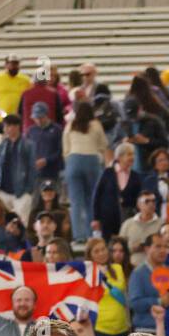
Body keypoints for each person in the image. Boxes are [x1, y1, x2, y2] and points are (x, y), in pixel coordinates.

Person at [62, 101, 111, 242]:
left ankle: (78, 235)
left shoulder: (70, 125)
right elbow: (103, 144)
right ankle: (92, 233)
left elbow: (65, 147)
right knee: (92, 199)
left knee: (76, 201)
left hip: (73, 160)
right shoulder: (96, 125)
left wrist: (69, 160)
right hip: (91, 160)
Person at [91, 141, 142, 239]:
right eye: (129, 154)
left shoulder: (135, 176)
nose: (132, 157)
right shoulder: (108, 173)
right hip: (107, 219)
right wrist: (96, 218)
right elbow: (97, 195)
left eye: (133, 154)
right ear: (119, 157)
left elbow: (138, 199)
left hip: (127, 219)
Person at [0, 53, 32, 123]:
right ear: (6, 65)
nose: (14, 66)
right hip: (1, 118)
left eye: (16, 64)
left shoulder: (26, 80)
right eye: (12, 64)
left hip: (19, 118)